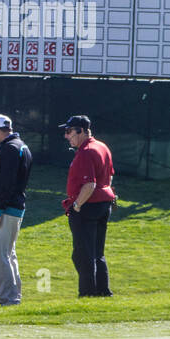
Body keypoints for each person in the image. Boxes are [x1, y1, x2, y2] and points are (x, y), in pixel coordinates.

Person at [59, 115, 117, 297]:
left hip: (88, 206)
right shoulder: (102, 146)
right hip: (104, 204)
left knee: (83, 254)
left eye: (69, 132)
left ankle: (87, 293)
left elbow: (89, 185)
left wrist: (76, 205)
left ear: (82, 131)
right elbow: (110, 177)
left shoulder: (86, 151)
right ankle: (103, 291)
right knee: (97, 252)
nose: (66, 136)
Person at [0, 114, 33, 306]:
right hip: (15, 207)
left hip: (5, 209)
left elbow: (7, 182)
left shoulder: (10, 149)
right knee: (9, 254)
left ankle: (7, 299)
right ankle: (14, 296)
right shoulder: (21, 145)